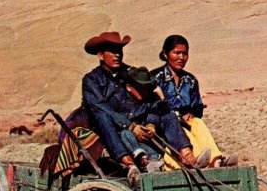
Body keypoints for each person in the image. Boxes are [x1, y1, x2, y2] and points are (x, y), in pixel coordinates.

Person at [81, 32, 208, 178]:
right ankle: (128, 163)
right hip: (112, 126)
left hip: (137, 118)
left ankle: (188, 156)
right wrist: (130, 126)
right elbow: (99, 107)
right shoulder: (91, 80)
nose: (117, 55)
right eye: (112, 51)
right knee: (102, 116)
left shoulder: (132, 73)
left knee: (167, 114)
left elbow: (152, 100)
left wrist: (151, 123)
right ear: (100, 55)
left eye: (119, 51)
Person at [151, 34, 237, 168]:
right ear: (165, 54)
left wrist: (191, 113)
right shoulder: (155, 78)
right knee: (184, 132)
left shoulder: (190, 80)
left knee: (198, 122)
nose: (181, 57)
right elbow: (152, 107)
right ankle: (196, 160)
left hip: (188, 121)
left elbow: (197, 106)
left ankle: (216, 161)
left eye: (185, 53)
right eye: (176, 53)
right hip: (167, 125)